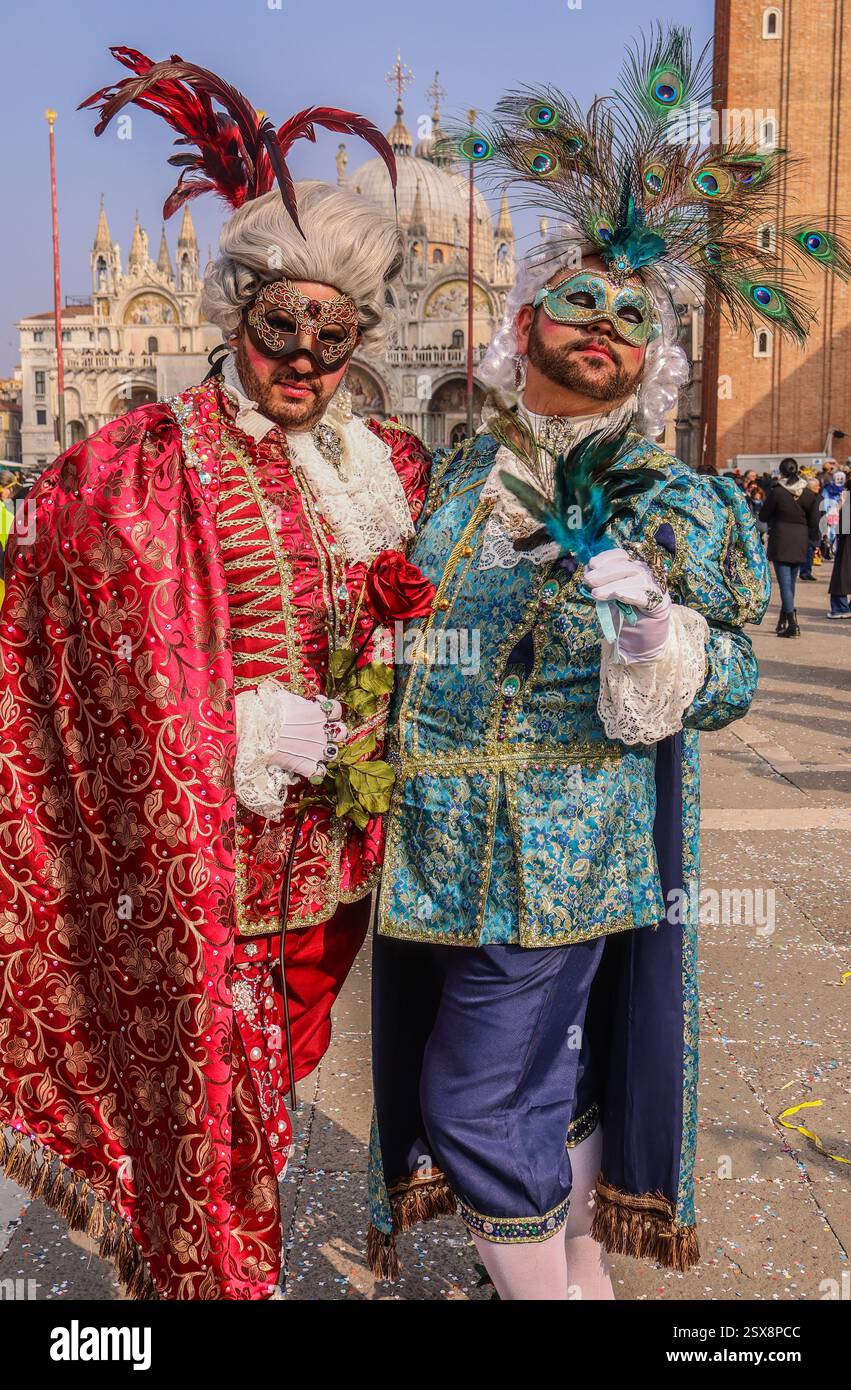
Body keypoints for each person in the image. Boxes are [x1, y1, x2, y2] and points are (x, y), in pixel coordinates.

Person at [366, 24, 848, 1301]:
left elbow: (735, 672)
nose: (606, 327)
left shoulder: (679, 499)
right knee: (548, 1082)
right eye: (581, 302)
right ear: (524, 321)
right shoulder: (450, 473)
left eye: (634, 319)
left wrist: (662, 638)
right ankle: (578, 1272)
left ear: (655, 360)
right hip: (427, 851)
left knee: (466, 1099)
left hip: (569, 850)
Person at [0, 50, 429, 1300]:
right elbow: (65, 644)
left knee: (274, 1086)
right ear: (230, 320)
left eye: (331, 336)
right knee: (211, 1101)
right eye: (277, 329)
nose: (301, 359)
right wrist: (217, 729)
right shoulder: (134, 463)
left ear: (359, 340)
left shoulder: (387, 469)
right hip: (200, 866)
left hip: (337, 864)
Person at [759, 458, 821, 634]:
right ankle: (783, 620)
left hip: (781, 539)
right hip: (800, 540)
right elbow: (815, 520)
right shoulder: (808, 494)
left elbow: (763, 516)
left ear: (782, 472)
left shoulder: (778, 492)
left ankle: (793, 624)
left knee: (785, 585)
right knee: (790, 583)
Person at [799, 476, 822, 580]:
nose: (819, 487)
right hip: (807, 528)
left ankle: (807, 571)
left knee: (811, 551)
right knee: (808, 551)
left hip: (816, 528)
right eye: (816, 486)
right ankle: (805, 571)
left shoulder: (820, 497)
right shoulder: (806, 497)